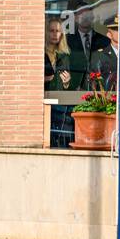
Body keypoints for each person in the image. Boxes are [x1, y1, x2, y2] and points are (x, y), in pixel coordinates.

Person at [44, 16, 73, 149]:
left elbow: (67, 87)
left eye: (58, 31)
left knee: (60, 140)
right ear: (45, 32)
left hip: (60, 104)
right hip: (43, 104)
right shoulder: (39, 52)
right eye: (52, 30)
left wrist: (67, 82)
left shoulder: (64, 55)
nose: (55, 34)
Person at [66, 6, 109, 91]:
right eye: (82, 15)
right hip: (73, 90)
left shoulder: (104, 41)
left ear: (93, 18)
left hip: (99, 91)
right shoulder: (67, 40)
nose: (85, 18)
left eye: (88, 15)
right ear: (75, 18)